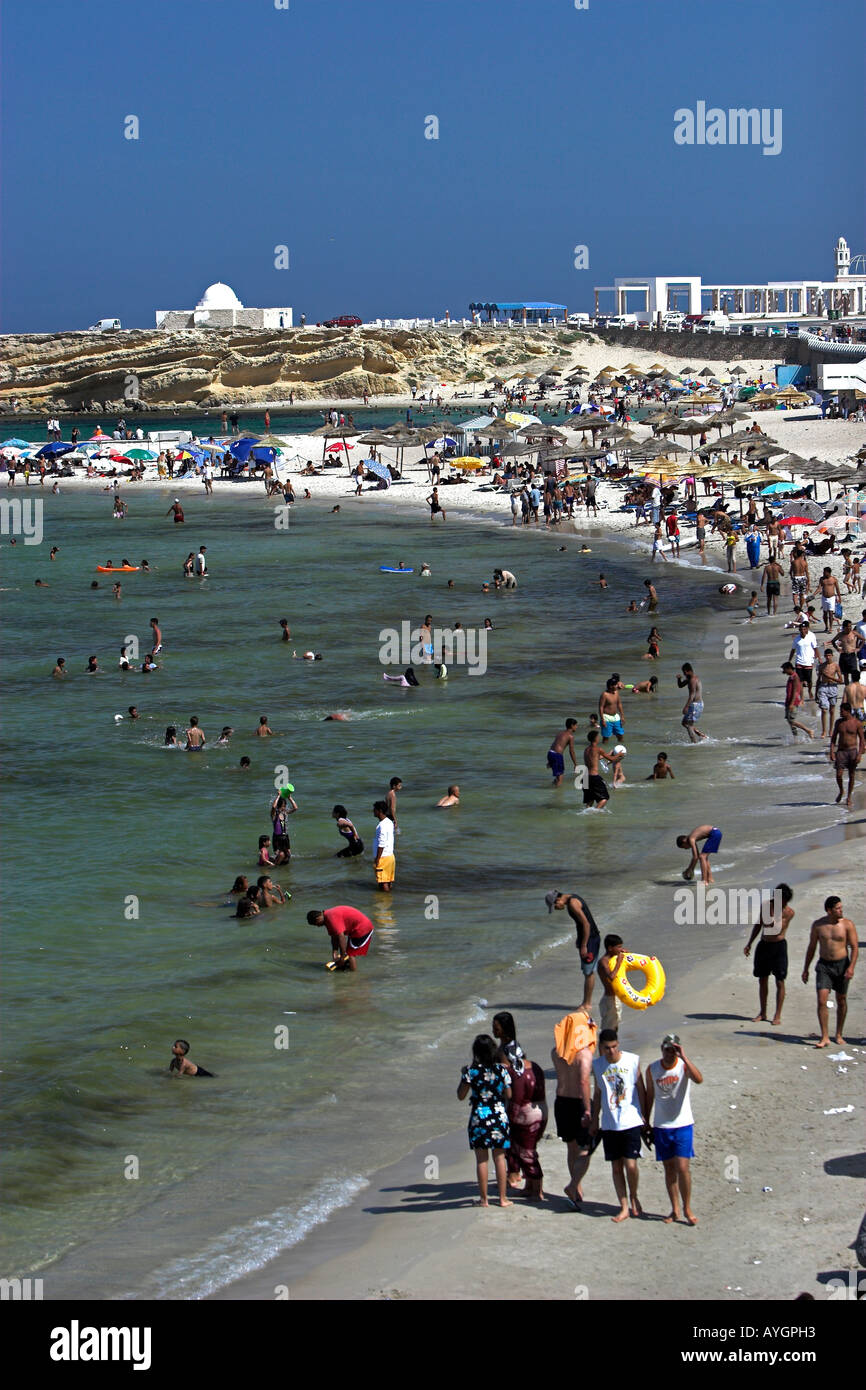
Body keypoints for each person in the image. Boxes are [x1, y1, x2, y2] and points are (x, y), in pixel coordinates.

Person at [590, 1029, 648, 1223]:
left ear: (618, 1044)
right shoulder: (597, 1065)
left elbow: (641, 1088)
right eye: (607, 1048)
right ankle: (623, 1206)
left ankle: (634, 1196)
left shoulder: (632, 1060)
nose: (611, 1051)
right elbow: (598, 1094)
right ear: (601, 1048)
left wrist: (646, 1116)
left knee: (631, 1165)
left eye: (614, 1047)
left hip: (631, 1119)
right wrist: (594, 1120)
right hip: (609, 1122)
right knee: (616, 1167)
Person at [645, 1035, 702, 1226]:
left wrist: (684, 1057)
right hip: (662, 1125)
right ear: (662, 1049)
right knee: (669, 1169)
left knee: (683, 1168)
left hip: (683, 1123)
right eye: (667, 1049)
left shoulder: (683, 1066)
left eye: (673, 1050)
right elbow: (650, 1096)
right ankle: (675, 1209)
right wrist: (646, 1122)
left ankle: (687, 1208)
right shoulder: (652, 1069)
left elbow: (699, 1079)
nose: (670, 1054)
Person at [457, 1035, 513, 1208]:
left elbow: (461, 1095)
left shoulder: (470, 1072)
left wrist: (464, 1075)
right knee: (500, 1158)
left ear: (476, 1053)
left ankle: (484, 1200)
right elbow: (509, 1095)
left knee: (482, 1160)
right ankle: (503, 1198)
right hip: (499, 1117)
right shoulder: (501, 1070)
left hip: (479, 1119)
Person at [551, 1007, 598, 1209]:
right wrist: (588, 1110)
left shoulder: (556, 1053)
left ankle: (576, 1189)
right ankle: (573, 1185)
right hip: (578, 1102)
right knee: (586, 1149)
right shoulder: (584, 1055)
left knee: (571, 1147)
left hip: (561, 1101)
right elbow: (584, 1083)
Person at [802, 896, 858, 1047]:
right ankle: (824, 1037)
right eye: (838, 908)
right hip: (824, 966)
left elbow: (854, 947)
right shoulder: (818, 925)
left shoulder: (847, 925)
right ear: (829, 910)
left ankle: (838, 1034)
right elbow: (812, 947)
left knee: (841, 1000)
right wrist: (806, 968)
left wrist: (851, 967)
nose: (841, 910)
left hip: (842, 965)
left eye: (841, 907)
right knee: (821, 1000)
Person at [744, 883, 795, 1025]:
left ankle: (777, 1014)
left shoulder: (789, 912)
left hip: (779, 947)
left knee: (780, 981)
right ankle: (763, 1012)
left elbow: (776, 928)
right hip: (764, 945)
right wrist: (749, 943)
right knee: (762, 979)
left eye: (784, 901)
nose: (782, 903)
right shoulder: (766, 906)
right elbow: (759, 925)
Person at [545, 890, 602, 1005]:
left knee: (588, 972)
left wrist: (584, 945)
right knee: (587, 971)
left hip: (590, 939)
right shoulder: (572, 898)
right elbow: (579, 923)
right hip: (587, 938)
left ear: (558, 899)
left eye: (554, 905)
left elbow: (586, 924)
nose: (556, 908)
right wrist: (579, 938)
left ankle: (587, 1004)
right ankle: (587, 1002)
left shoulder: (573, 903)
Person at [307, 904, 375, 972]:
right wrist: (335, 953)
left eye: (316, 924)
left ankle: (353, 977)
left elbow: (341, 938)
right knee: (348, 953)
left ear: (318, 919)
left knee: (350, 954)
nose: (318, 926)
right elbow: (334, 937)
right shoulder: (327, 916)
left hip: (362, 928)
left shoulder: (331, 918)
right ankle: (347, 969)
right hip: (355, 929)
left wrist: (342, 958)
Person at [829, 701, 865, 808]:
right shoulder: (839, 723)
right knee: (839, 775)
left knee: (852, 775)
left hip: (852, 751)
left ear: (848, 711)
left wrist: (859, 754)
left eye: (842, 711)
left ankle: (849, 797)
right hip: (841, 752)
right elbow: (834, 738)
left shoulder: (857, 723)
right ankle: (841, 791)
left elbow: (862, 740)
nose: (840, 712)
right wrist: (831, 751)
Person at [583, 729, 620, 809]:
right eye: (598, 736)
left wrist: (608, 754)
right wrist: (619, 754)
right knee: (604, 798)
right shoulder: (598, 749)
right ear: (595, 738)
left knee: (590, 799)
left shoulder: (586, 750)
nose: (599, 738)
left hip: (585, 777)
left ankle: (587, 814)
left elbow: (596, 757)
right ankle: (594, 813)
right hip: (594, 777)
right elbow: (612, 759)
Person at [597, 934, 626, 1034]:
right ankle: (604, 1047)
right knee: (608, 1029)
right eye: (618, 947)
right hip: (609, 1000)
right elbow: (611, 977)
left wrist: (623, 955)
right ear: (610, 948)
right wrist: (619, 962)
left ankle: (613, 1046)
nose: (620, 949)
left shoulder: (613, 958)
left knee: (615, 1026)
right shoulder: (603, 962)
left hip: (616, 998)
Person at [781, 661, 814, 740]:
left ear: (789, 668)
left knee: (792, 721)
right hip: (788, 701)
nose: (784, 672)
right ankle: (795, 737)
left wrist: (792, 703)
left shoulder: (795, 677)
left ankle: (808, 730)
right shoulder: (791, 677)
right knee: (789, 721)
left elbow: (796, 691)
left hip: (793, 702)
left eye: (784, 670)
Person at [814, 647, 843, 738]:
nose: (828, 657)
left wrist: (830, 677)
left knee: (832, 710)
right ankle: (823, 731)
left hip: (833, 687)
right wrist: (816, 694)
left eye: (829, 655)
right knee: (823, 709)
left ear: (832, 656)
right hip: (823, 687)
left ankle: (831, 730)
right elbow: (818, 680)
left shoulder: (835, 666)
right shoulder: (821, 666)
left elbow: (840, 680)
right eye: (826, 656)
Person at [677, 663, 706, 742]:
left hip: (696, 705)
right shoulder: (689, 679)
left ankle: (694, 743)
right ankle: (700, 735)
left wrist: (686, 707)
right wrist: (679, 679)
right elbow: (680, 685)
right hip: (697, 704)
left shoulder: (693, 680)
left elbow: (692, 695)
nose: (683, 674)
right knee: (684, 723)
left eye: (684, 672)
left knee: (688, 724)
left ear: (688, 671)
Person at [547, 718, 578, 786]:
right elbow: (571, 751)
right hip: (557, 755)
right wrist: (575, 764)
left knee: (557, 777)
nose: (577, 727)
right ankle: (557, 795)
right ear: (572, 725)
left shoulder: (560, 733)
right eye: (576, 725)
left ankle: (552, 789)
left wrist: (550, 760)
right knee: (560, 778)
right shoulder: (570, 736)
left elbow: (553, 745)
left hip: (550, 753)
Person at [372, 800, 395, 891]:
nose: (373, 811)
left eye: (374, 810)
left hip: (383, 857)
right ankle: (389, 899)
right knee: (388, 880)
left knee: (382, 882)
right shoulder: (389, 822)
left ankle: (385, 900)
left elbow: (382, 843)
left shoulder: (382, 825)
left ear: (380, 811)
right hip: (390, 856)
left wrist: (377, 859)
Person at [270, 791, 297, 863]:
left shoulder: (285, 813)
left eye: (285, 806)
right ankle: (274, 866)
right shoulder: (274, 815)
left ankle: (281, 868)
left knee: (288, 855)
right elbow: (273, 807)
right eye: (283, 806)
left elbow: (295, 808)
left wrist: (290, 798)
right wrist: (278, 796)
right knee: (281, 855)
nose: (284, 808)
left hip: (285, 837)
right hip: (277, 838)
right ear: (279, 806)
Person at [598, 677, 625, 742]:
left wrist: (622, 716)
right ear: (610, 686)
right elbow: (601, 707)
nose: (617, 686)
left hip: (615, 717)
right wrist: (602, 719)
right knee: (606, 738)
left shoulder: (616, 692)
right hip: (606, 718)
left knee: (620, 735)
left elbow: (619, 704)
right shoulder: (605, 695)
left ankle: (621, 749)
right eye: (615, 685)